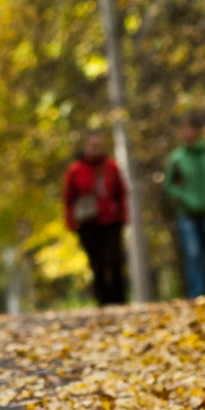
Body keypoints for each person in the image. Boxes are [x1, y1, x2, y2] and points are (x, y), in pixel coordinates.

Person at [163, 111, 205, 298]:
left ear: (198, 131)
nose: (187, 133)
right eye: (183, 129)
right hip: (186, 212)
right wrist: (183, 196)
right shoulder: (176, 158)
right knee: (193, 253)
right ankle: (197, 295)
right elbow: (168, 185)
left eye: (190, 129)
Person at [62, 131, 128, 306]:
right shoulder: (75, 170)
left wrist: (123, 215)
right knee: (96, 263)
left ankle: (119, 300)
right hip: (87, 223)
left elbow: (121, 193)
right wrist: (70, 221)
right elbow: (68, 198)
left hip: (111, 221)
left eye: (99, 146)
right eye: (93, 146)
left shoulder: (111, 167)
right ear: (86, 147)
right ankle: (103, 301)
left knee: (113, 260)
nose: (96, 149)